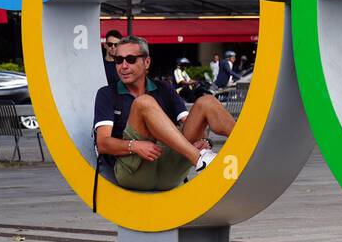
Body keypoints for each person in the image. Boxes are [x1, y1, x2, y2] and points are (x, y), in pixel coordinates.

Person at [93, 36, 236, 191]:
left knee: (206, 101)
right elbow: (102, 144)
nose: (123, 66)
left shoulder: (164, 88)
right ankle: (200, 159)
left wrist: (204, 141)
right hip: (135, 171)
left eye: (131, 59)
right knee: (143, 102)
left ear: (146, 62)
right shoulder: (107, 94)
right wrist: (134, 146)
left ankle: (248, 145)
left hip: (170, 168)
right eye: (119, 60)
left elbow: (190, 123)